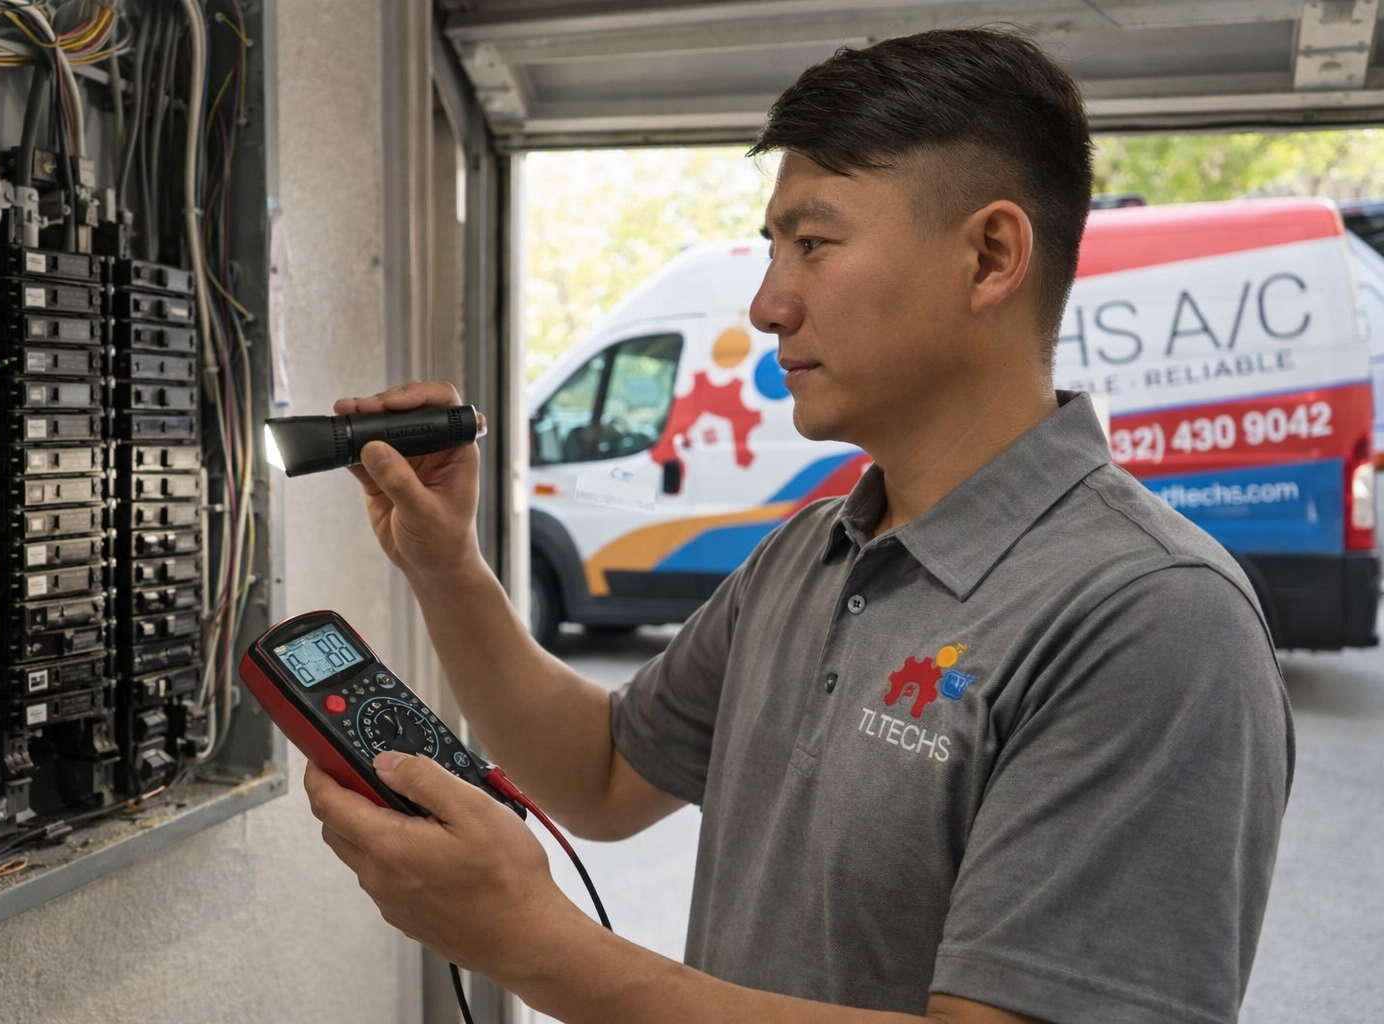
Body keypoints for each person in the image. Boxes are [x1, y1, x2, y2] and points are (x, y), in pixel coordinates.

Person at [304, 27, 1294, 1024]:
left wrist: (531, 943)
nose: (768, 302)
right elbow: (600, 773)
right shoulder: (810, 552)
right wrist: (444, 562)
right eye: (775, 247)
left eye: (813, 244)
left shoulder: (1154, 619)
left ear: (991, 256)